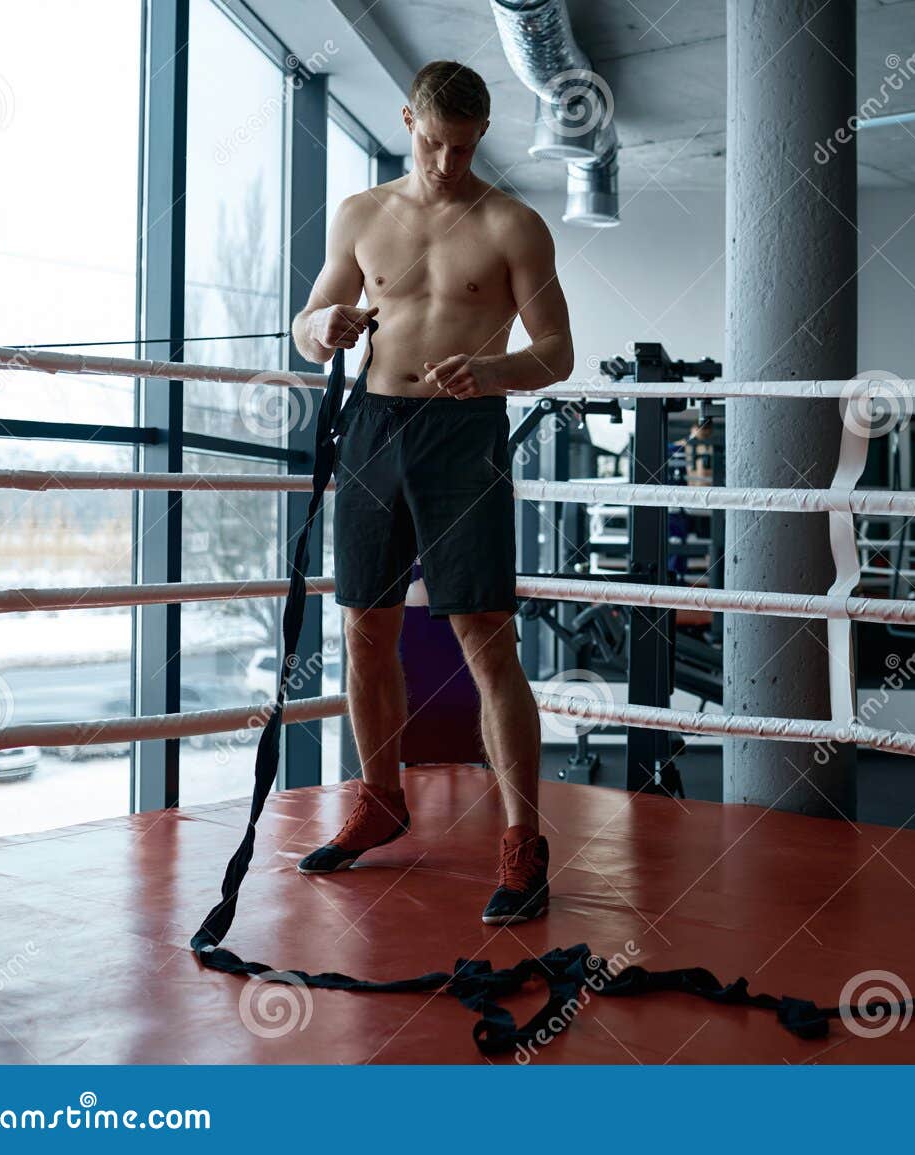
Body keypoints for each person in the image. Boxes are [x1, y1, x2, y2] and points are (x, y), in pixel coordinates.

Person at [288, 60, 573, 925]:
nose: (449, 162)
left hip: (465, 436)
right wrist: (322, 327)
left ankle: (524, 842)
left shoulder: (513, 225)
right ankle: (381, 798)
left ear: (481, 134)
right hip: (373, 428)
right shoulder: (361, 215)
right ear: (408, 118)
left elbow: (557, 353)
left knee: (485, 639)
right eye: (435, 142)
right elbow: (306, 326)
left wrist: (491, 368)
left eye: (466, 146)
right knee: (364, 630)